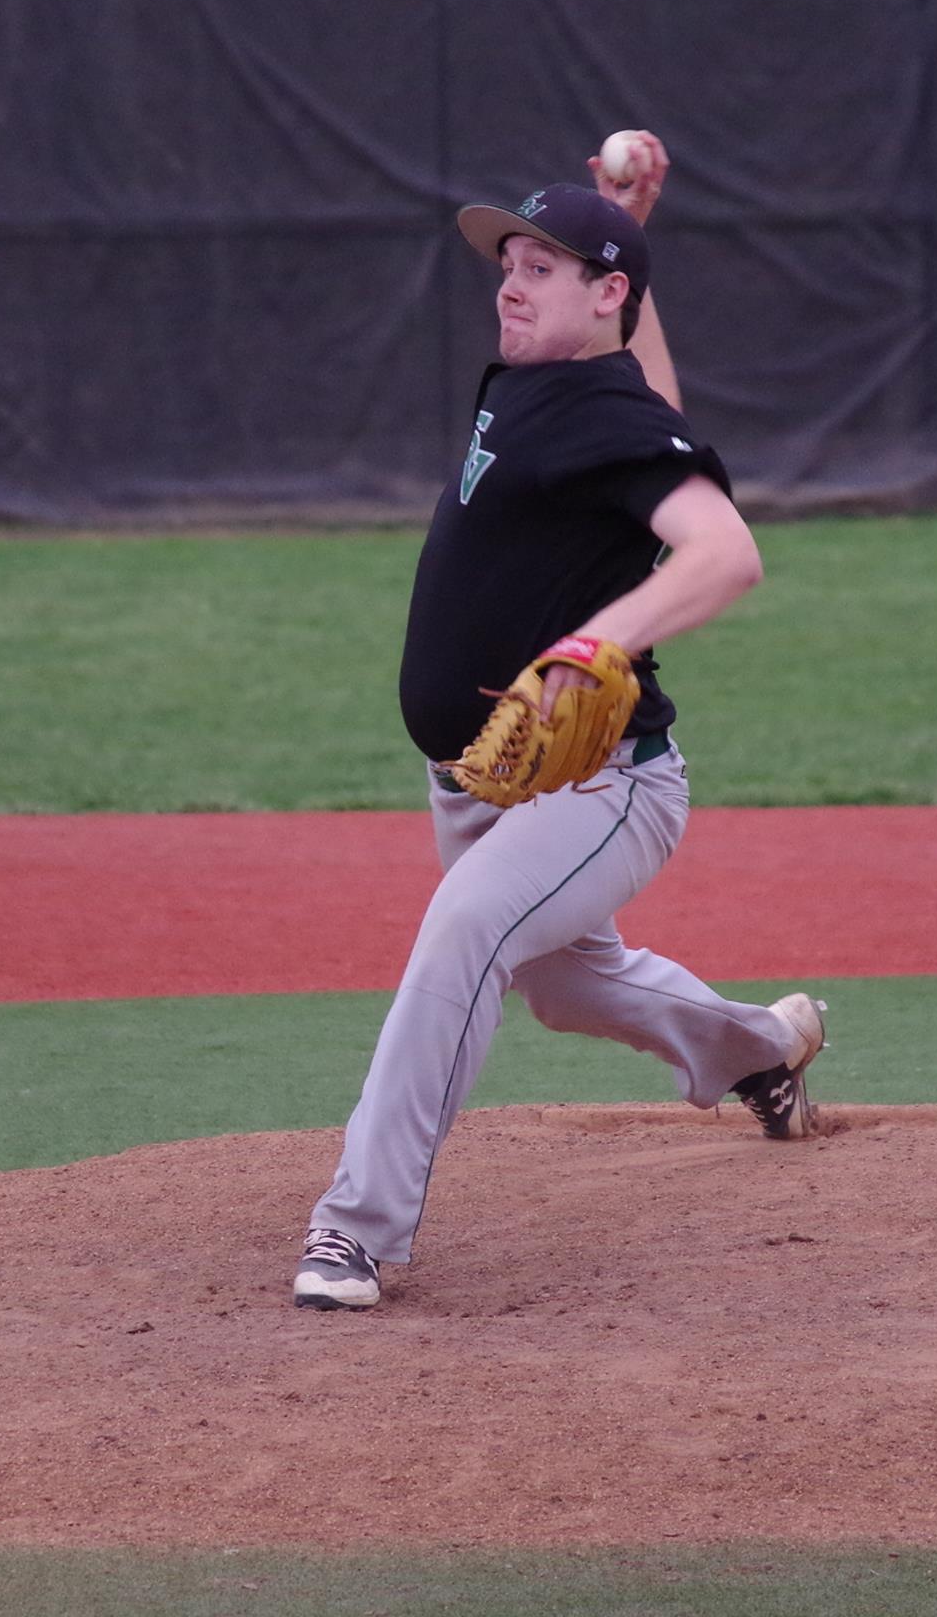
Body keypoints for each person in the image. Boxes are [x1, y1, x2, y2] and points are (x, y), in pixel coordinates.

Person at [291, 134, 826, 1312]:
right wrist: (631, 242)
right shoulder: (557, 388)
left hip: (604, 790)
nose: (510, 281)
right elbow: (656, 413)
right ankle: (763, 1048)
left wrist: (602, 639)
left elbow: (725, 549)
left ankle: (355, 1230)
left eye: (544, 265)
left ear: (608, 297)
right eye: (508, 262)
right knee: (572, 985)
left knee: (462, 936)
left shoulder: (590, 404)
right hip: (475, 781)